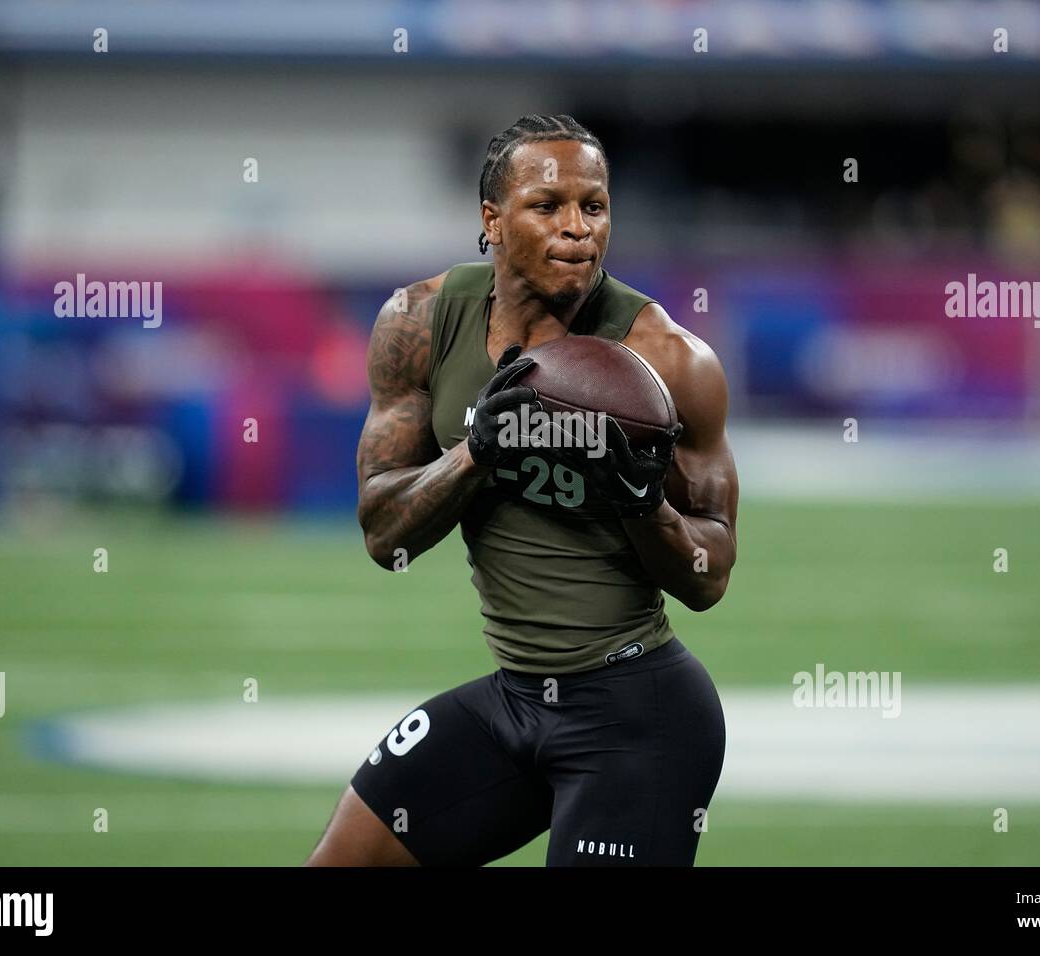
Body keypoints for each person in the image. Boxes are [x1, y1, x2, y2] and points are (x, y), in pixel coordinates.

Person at [305, 114, 738, 866]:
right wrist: (476, 453)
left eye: (594, 207)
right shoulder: (420, 322)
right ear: (492, 221)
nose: (577, 229)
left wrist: (643, 504)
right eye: (548, 207)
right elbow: (384, 535)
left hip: (639, 710)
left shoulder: (669, 360)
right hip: (514, 700)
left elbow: (712, 575)